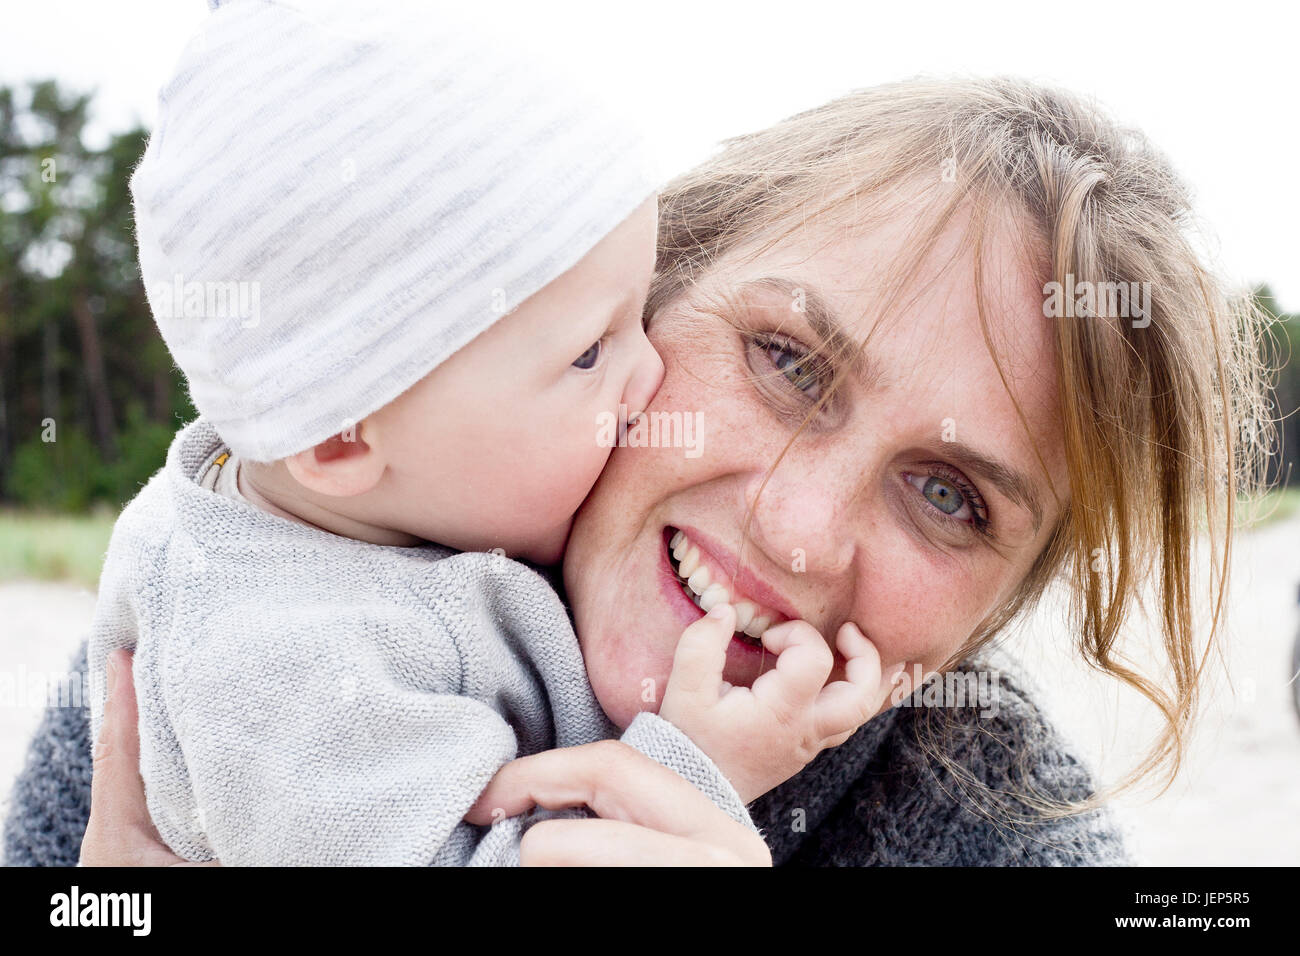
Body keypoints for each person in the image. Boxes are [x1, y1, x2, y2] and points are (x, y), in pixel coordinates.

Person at [6, 76, 1271, 867]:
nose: (797, 528)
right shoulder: (257, 592)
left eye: (951, 496)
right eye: (786, 359)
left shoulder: (994, 827)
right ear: (649, 295)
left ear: (1001, 604)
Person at [52, 0, 892, 866]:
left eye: (641, 313)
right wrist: (697, 771)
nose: (649, 378)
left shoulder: (360, 509)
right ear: (343, 440)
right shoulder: (283, 669)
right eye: (588, 354)